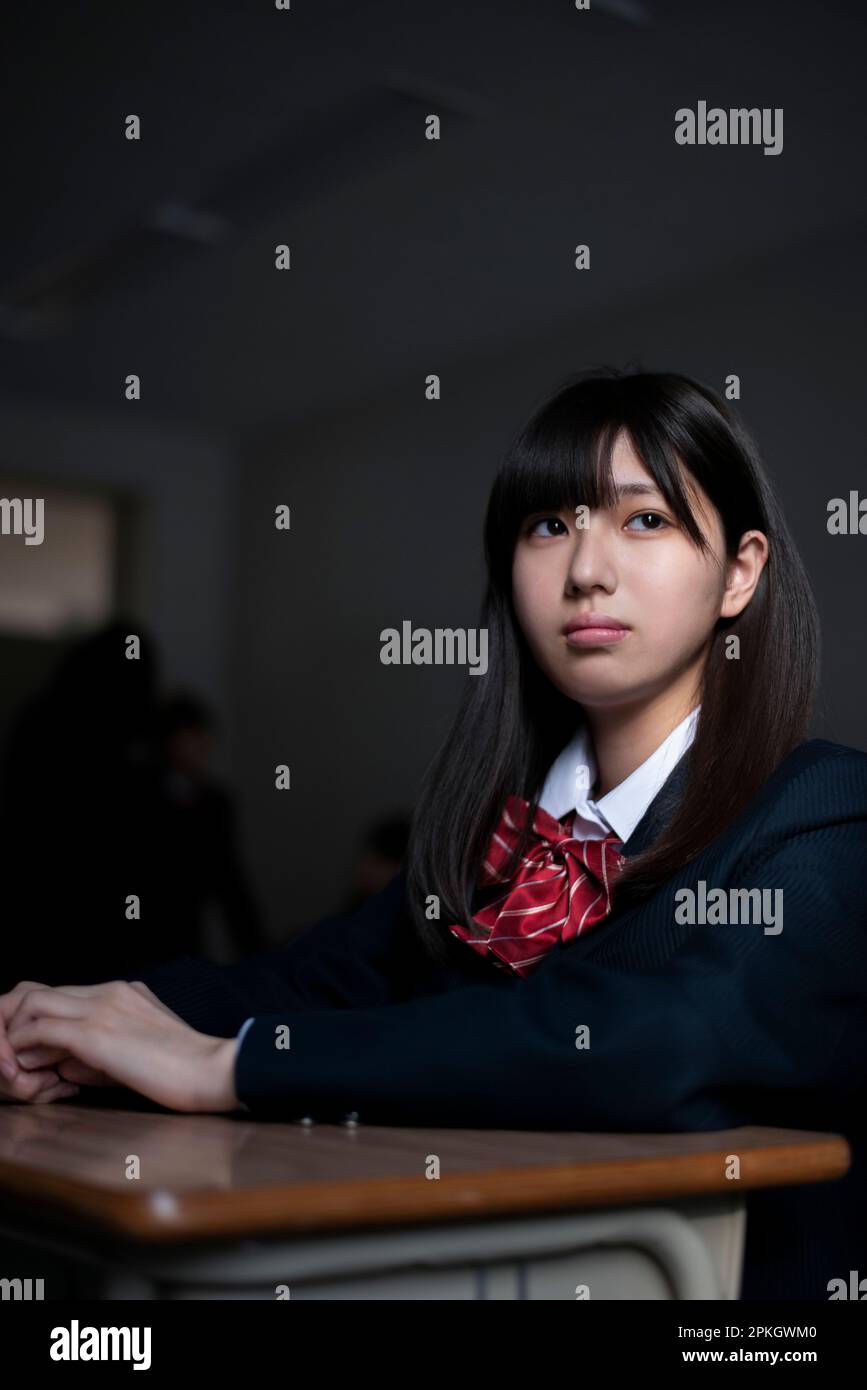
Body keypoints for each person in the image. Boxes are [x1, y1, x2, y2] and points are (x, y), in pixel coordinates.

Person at [2, 367, 865, 1302]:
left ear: (740, 571)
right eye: (548, 525)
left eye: (642, 519)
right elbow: (303, 979)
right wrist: (72, 1022)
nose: (585, 570)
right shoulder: (487, 832)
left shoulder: (824, 813)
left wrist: (232, 1067)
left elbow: (659, 1044)